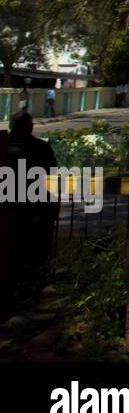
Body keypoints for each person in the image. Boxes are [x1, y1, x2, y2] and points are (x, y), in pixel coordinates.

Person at [2, 111, 59, 301]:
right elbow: (52, 170)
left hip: (8, 205)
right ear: (30, 126)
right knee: (36, 248)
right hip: (34, 206)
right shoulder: (40, 147)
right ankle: (33, 283)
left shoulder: (4, 146)